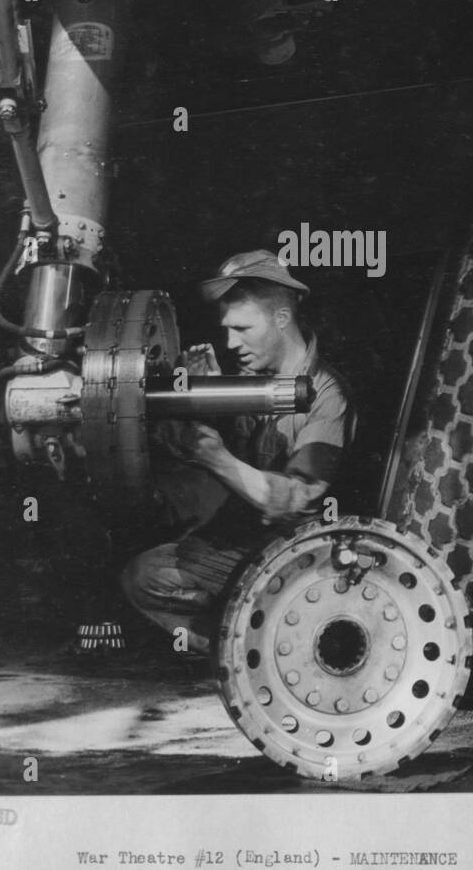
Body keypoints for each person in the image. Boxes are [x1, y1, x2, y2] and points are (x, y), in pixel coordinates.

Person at [120, 250, 355, 654]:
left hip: (301, 552)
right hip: (249, 539)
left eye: (243, 328)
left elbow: (295, 502)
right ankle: (253, 639)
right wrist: (210, 400)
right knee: (144, 575)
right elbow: (236, 447)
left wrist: (216, 457)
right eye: (227, 329)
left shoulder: (328, 395)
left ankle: (261, 650)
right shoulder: (253, 380)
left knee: (154, 575)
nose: (231, 342)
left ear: (282, 318)